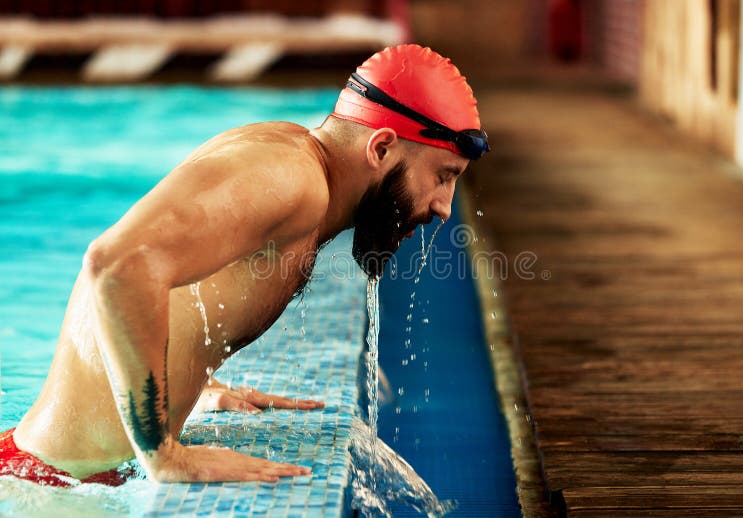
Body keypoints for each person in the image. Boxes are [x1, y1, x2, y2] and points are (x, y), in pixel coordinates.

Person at [0, 44, 489, 486]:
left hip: (63, 471)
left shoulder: (291, 164)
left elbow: (183, 275)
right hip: (47, 483)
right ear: (380, 148)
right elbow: (116, 265)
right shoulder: (290, 178)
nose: (445, 206)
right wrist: (163, 454)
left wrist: (192, 380)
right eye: (443, 177)